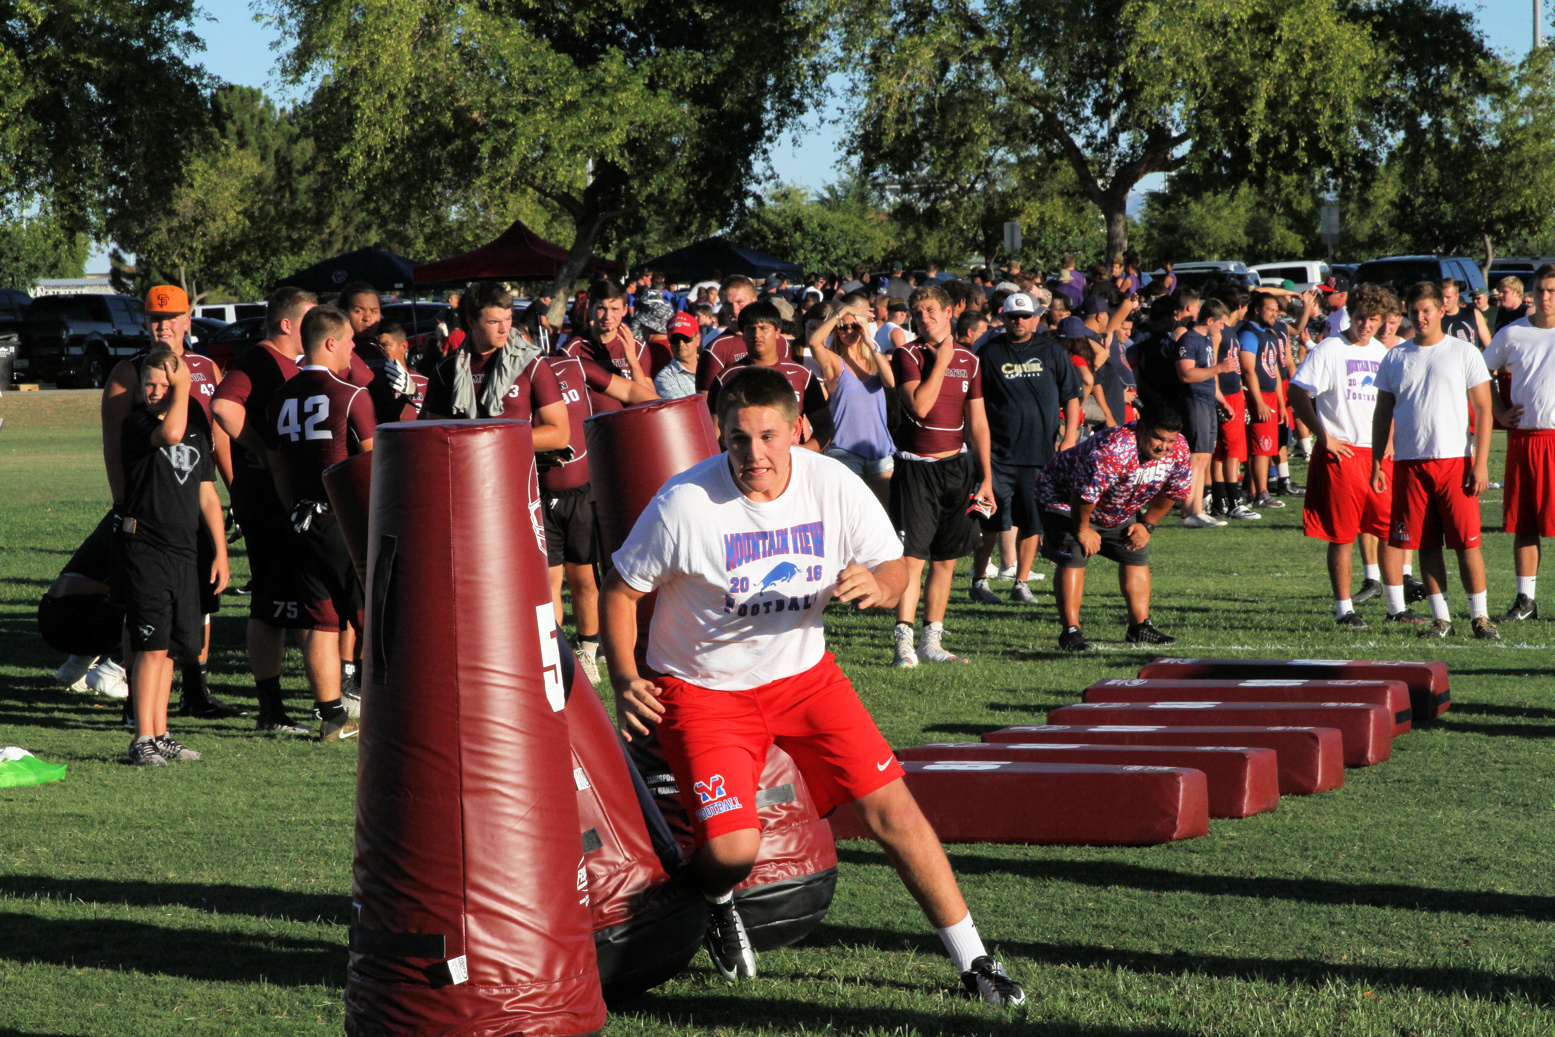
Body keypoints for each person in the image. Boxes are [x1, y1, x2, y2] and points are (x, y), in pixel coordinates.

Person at [600, 366, 1025, 1006]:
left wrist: (881, 588)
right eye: (738, 439)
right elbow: (620, 590)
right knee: (734, 851)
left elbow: (890, 566)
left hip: (804, 678)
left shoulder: (832, 484)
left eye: (769, 436)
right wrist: (627, 676)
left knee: (895, 811)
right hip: (703, 691)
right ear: (719, 435)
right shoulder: (684, 503)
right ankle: (713, 896)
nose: (755, 454)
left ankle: (976, 963)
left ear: (798, 429)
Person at [101, 284, 241, 719]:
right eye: (155, 318)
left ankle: (195, 689)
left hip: (192, 497)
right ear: (146, 323)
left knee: (200, 598)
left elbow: (216, 443)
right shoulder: (129, 371)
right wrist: (123, 503)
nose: (163, 325)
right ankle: (134, 701)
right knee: (143, 605)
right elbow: (114, 446)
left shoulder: (205, 367)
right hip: (148, 506)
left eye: (171, 317)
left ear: (187, 321)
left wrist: (233, 495)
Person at [262, 305, 374, 740]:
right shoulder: (350, 394)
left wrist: (295, 507)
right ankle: (385, 707)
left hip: (302, 519)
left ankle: (330, 717)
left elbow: (278, 467)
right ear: (330, 342)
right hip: (345, 521)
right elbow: (372, 464)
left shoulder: (281, 397)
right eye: (348, 341)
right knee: (371, 617)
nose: (352, 349)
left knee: (319, 622)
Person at [212, 287, 320, 734]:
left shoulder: (292, 364)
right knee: (271, 604)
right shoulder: (261, 359)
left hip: (285, 500)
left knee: (292, 602)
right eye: (311, 319)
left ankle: (317, 701)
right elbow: (222, 404)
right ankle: (271, 710)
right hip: (265, 502)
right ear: (288, 324)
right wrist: (259, 448)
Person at [115, 348, 228, 765]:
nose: (156, 391)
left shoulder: (195, 427)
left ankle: (160, 733)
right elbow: (170, 434)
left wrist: (220, 551)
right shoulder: (138, 424)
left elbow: (207, 494)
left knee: (171, 649)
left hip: (185, 551)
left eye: (164, 383)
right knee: (150, 645)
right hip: (146, 547)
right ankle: (141, 737)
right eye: (150, 383)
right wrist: (181, 384)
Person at [1288, 283, 1424, 629]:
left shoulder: (1384, 353)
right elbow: (1297, 391)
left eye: (1374, 319)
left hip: (1379, 455)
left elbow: (1393, 403)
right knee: (1343, 534)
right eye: (1361, 317)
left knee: (1391, 531)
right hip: (1343, 453)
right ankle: (1344, 609)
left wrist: (1392, 439)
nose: (1366, 325)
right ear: (1351, 315)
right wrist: (1324, 436)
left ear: (1383, 322)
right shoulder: (1330, 349)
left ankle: (1396, 607)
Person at [1370, 281, 1498, 639]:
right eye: (1414, 311)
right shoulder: (1396, 356)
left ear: (1442, 310)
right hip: (1410, 463)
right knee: (1426, 545)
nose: (1421, 317)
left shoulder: (1464, 352)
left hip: (1455, 462)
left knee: (1467, 543)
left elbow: (1485, 409)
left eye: (1427, 310)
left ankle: (1480, 617)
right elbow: (1383, 412)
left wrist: (1481, 462)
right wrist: (1378, 459)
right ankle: (1441, 618)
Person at [542, 327, 658, 685]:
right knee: (548, 582)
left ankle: (588, 652)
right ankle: (552, 656)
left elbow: (631, 393)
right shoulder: (520, 377)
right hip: (538, 492)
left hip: (580, 492)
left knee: (584, 579)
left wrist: (659, 410)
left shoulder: (575, 365)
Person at [889, 285, 995, 666]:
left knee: (946, 560)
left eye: (931, 309)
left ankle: (931, 640)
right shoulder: (907, 355)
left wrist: (986, 477)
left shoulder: (970, 359)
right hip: (916, 467)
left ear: (950, 311)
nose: (924, 317)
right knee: (912, 560)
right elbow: (920, 404)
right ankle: (903, 641)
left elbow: (978, 421)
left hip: (957, 468)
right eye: (918, 312)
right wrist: (940, 361)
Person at [1035, 404, 1189, 652]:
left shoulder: (1179, 449)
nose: (1164, 447)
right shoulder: (1114, 447)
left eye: (1169, 441)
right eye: (1158, 438)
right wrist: (1083, 530)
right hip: (1065, 499)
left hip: (1116, 506)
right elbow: (1084, 494)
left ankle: (1140, 628)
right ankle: (1071, 632)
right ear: (1141, 428)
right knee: (1075, 554)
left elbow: (1176, 489)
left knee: (1135, 553)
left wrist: (1147, 525)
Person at [968, 293, 1082, 606]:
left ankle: (1021, 582)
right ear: (1002, 318)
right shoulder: (989, 353)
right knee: (991, 520)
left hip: (1040, 454)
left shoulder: (1051, 350)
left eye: (1024, 316)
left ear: (1034, 317)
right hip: (998, 455)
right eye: (1012, 317)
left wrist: (1069, 437)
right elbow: (974, 405)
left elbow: (1072, 396)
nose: (1018, 322)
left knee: (1032, 522)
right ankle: (979, 580)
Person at [1483, 263, 1555, 623]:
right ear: (1532, 293)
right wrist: (1499, 409)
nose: (1546, 297)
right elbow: (1481, 373)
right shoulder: (1512, 333)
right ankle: (1526, 599)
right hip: (1526, 437)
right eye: (1541, 290)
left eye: (1552, 291)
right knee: (1525, 522)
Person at [422, 281, 571, 453]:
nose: (504, 329)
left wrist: (491, 441)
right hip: (465, 471)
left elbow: (560, 434)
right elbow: (434, 436)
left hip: (515, 473)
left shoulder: (529, 362)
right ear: (471, 322)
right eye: (494, 322)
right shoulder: (447, 369)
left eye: (508, 319)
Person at [806, 299, 896, 509]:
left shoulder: (875, 359)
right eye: (842, 327)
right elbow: (814, 343)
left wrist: (869, 341)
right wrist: (843, 311)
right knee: (849, 514)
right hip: (843, 450)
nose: (848, 330)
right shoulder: (835, 362)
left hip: (879, 451)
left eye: (853, 325)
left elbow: (890, 382)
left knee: (883, 515)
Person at [707, 302, 833, 452]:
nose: (756, 335)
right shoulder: (726, 378)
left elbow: (825, 426)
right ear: (743, 334)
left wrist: (801, 453)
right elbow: (716, 434)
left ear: (777, 331)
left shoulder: (802, 374)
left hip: (792, 464)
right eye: (750, 329)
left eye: (763, 328)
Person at [40, 511, 129, 700]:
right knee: (164, 609)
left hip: (49, 614)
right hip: (77, 617)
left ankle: (75, 667)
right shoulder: (144, 516)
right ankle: (113, 670)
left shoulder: (119, 515)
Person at [1175, 301, 1240, 527]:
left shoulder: (1206, 341)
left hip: (1208, 400)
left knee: (1205, 457)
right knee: (1196, 457)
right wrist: (1220, 369)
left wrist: (1221, 400)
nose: (1223, 328)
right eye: (1221, 323)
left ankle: (1199, 510)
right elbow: (1186, 374)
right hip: (1193, 401)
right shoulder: (1189, 339)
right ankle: (1187, 512)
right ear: (1209, 320)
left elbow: (1210, 374)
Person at [1207, 289, 1261, 521]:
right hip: (1226, 395)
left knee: (1224, 451)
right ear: (1239, 305)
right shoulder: (1220, 331)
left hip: (1233, 392)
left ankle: (1221, 501)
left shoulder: (1231, 330)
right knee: (1230, 451)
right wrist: (1218, 396)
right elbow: (1213, 362)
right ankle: (1233, 501)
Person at [566, 280, 655, 408]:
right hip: (594, 426)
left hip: (632, 424)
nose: (608, 316)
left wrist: (633, 362)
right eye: (602, 308)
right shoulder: (573, 350)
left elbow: (652, 403)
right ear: (591, 308)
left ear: (625, 310)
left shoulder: (638, 348)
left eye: (615, 309)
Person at [1239, 292, 1287, 509]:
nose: (1274, 314)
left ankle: (1254, 491)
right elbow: (1248, 369)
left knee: (1265, 447)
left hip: (1270, 395)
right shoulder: (1249, 334)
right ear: (1257, 309)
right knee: (1261, 447)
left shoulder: (1270, 334)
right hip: (1257, 395)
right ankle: (1261, 493)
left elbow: (1274, 369)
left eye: (1277, 310)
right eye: (1270, 309)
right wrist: (1258, 401)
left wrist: (1281, 403)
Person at [368, 319, 428, 420]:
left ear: (403, 347)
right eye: (377, 346)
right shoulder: (371, 383)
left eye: (385, 345)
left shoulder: (425, 384)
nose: (380, 351)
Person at [654, 311, 702, 400]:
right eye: (675, 339)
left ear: (698, 339)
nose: (680, 344)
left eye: (685, 338)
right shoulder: (664, 378)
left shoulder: (712, 365)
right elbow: (685, 410)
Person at [1438, 278, 1491, 348]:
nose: (1444, 301)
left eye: (1448, 297)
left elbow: (1489, 345)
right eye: (1442, 297)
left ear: (1457, 296)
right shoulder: (1437, 318)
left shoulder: (1473, 314)